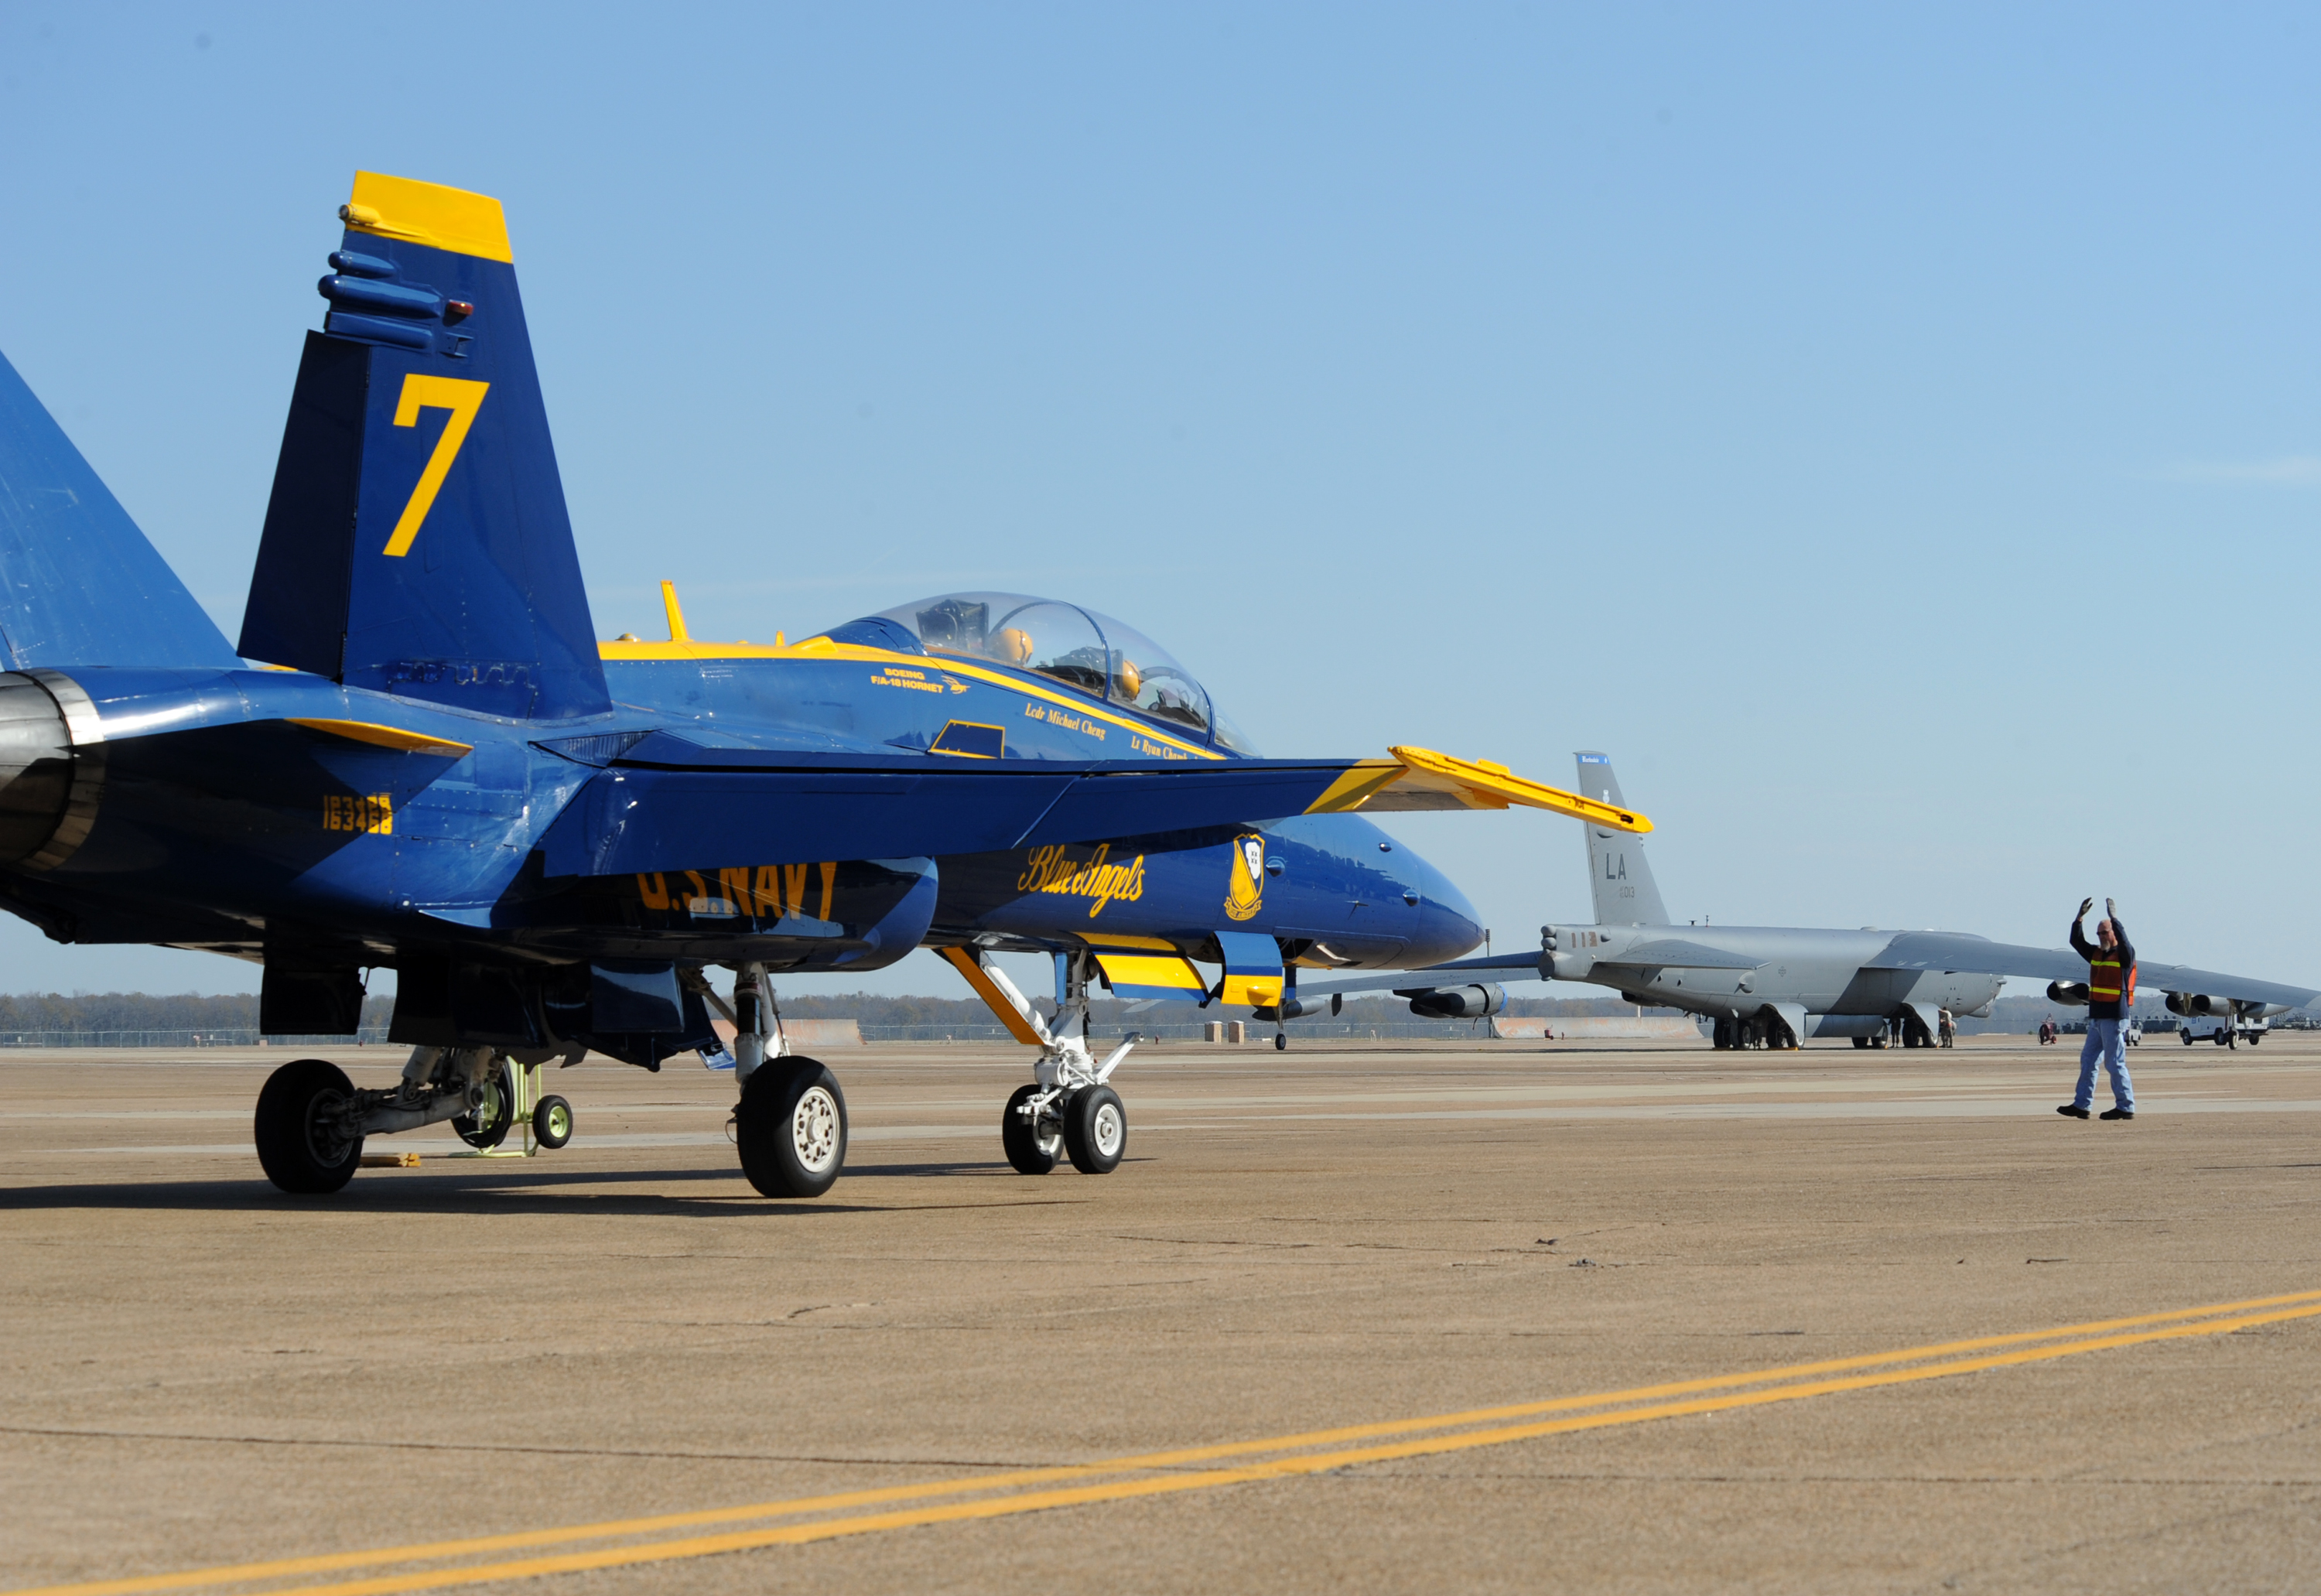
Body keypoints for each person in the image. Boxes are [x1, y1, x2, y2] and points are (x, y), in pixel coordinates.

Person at [2059, 896, 2136, 1121]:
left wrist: (2115, 919)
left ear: (2114, 934)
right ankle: (2082, 1105)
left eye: (2105, 933)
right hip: (2097, 1017)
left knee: (2114, 1063)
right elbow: (2076, 942)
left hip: (2114, 1016)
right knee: (2088, 1060)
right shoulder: (2096, 954)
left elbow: (2127, 945)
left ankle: (2126, 1106)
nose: (2101, 937)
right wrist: (2079, 919)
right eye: (2099, 934)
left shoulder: (2124, 955)